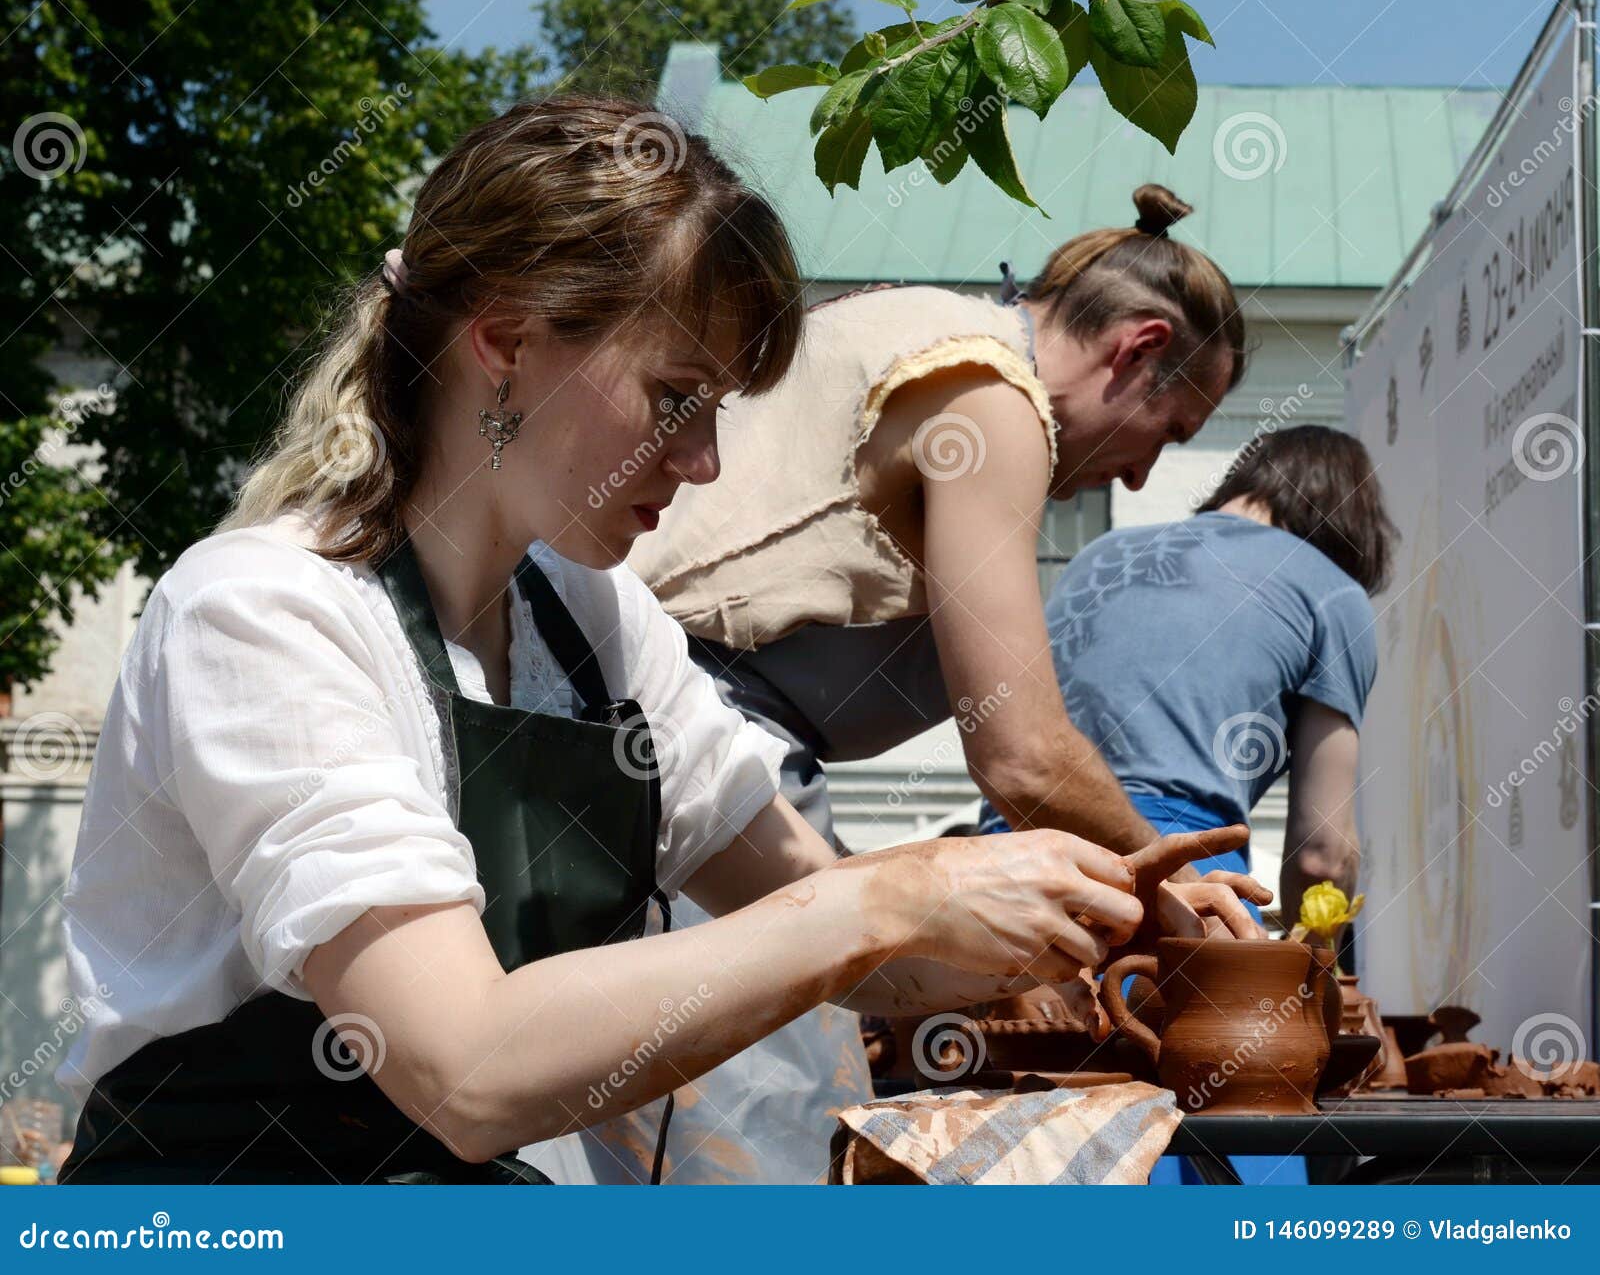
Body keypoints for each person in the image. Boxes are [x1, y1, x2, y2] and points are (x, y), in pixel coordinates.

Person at [54, 96, 1257, 1186]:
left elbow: (840, 929)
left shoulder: (590, 624)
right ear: (507, 342)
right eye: (675, 399)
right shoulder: (266, 613)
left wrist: (1096, 914)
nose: (703, 463)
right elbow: (465, 1070)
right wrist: (891, 900)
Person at [619, 185, 1251, 1181]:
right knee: (758, 1176)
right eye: (1168, 430)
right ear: (1135, 348)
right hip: (677, 746)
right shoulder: (989, 395)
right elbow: (1022, 754)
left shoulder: (931, 332)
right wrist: (1166, 881)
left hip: (668, 750)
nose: (1137, 480)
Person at [979, 424, 1397, 1183]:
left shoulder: (1100, 555)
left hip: (1006, 859)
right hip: (1177, 869)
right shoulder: (1331, 590)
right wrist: (1318, 976)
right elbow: (1323, 852)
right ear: (1351, 524)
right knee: (1225, 1158)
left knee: (1029, 1154)